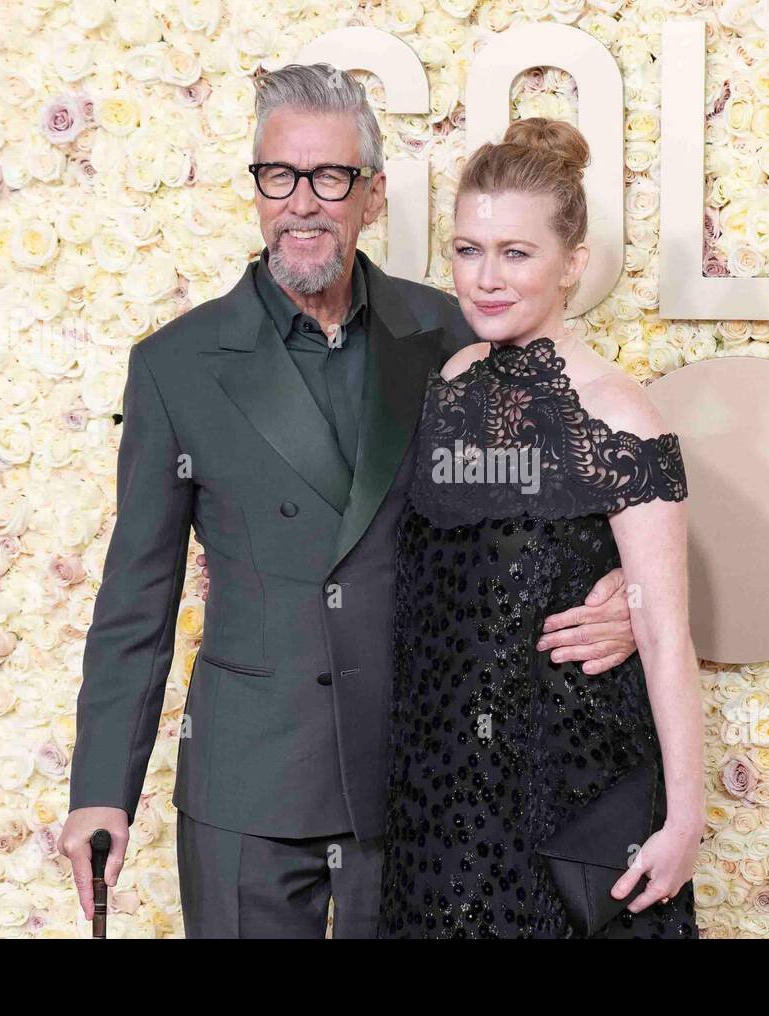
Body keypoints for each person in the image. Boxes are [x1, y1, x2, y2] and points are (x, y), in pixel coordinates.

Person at [56, 65, 641, 938]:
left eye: (329, 178)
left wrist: (630, 595)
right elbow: (138, 599)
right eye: (277, 177)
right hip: (250, 784)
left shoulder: (450, 330)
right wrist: (101, 791)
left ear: (370, 194)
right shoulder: (174, 368)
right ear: (255, 188)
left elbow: (562, 502)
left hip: (420, 771)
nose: (301, 203)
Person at [376, 118, 706, 938]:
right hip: (438, 794)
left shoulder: (620, 413)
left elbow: (666, 636)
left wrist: (684, 821)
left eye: (516, 253)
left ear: (573, 265)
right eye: (467, 250)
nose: (485, 279)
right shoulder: (448, 383)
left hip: (568, 793)